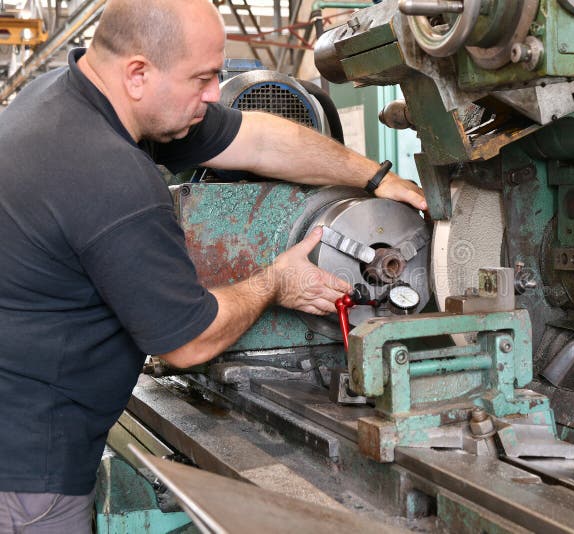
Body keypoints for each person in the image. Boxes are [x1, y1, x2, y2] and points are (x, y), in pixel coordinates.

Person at [0, 0, 426, 531]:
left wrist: (375, 178)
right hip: (27, 472)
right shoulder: (109, 176)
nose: (211, 94)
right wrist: (275, 282)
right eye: (201, 79)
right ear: (138, 74)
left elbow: (260, 139)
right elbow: (188, 342)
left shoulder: (66, 95)